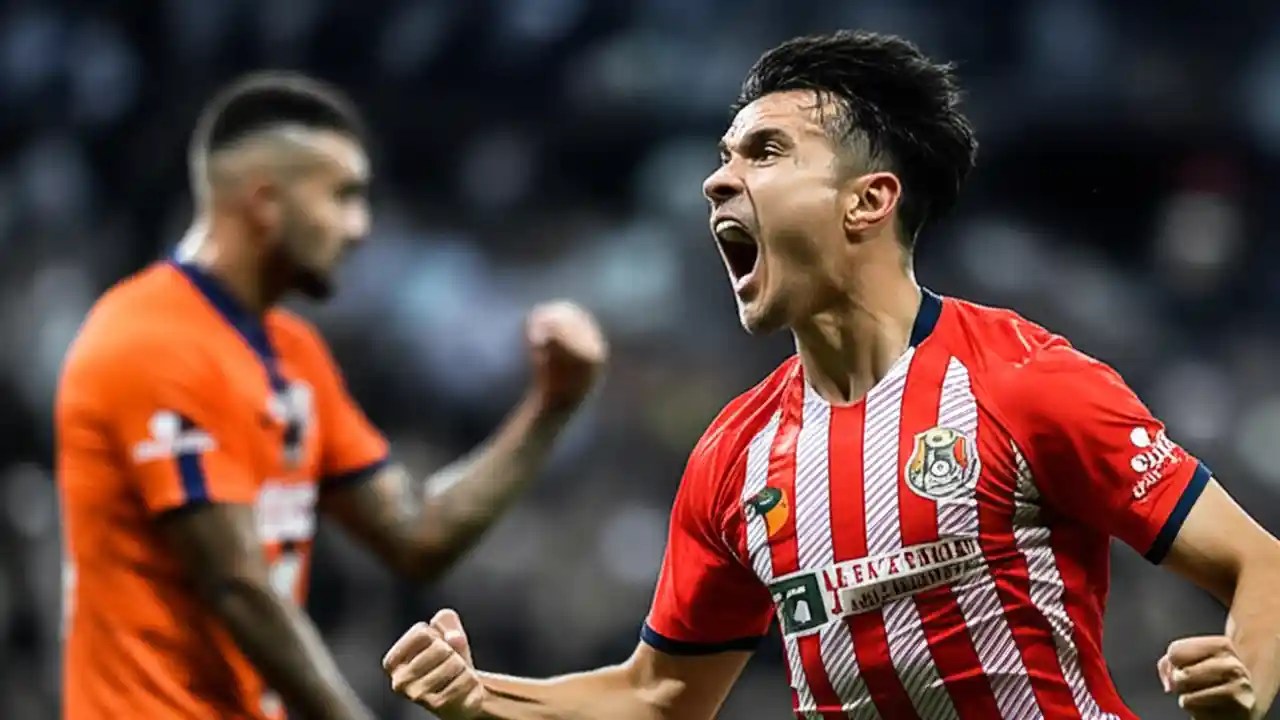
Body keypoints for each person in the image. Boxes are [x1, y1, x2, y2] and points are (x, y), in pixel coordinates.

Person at [380, 30, 1280, 720]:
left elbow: (1261, 566)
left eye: (763, 153)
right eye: (723, 156)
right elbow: (659, 697)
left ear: (869, 200)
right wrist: (479, 699)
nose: (715, 182)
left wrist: (1252, 681)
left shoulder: (1025, 381)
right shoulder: (734, 458)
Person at [55, 71, 608, 720]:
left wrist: (552, 406)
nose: (360, 227)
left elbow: (418, 535)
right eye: (342, 197)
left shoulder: (293, 353)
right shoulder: (150, 340)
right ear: (265, 202)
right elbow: (238, 587)